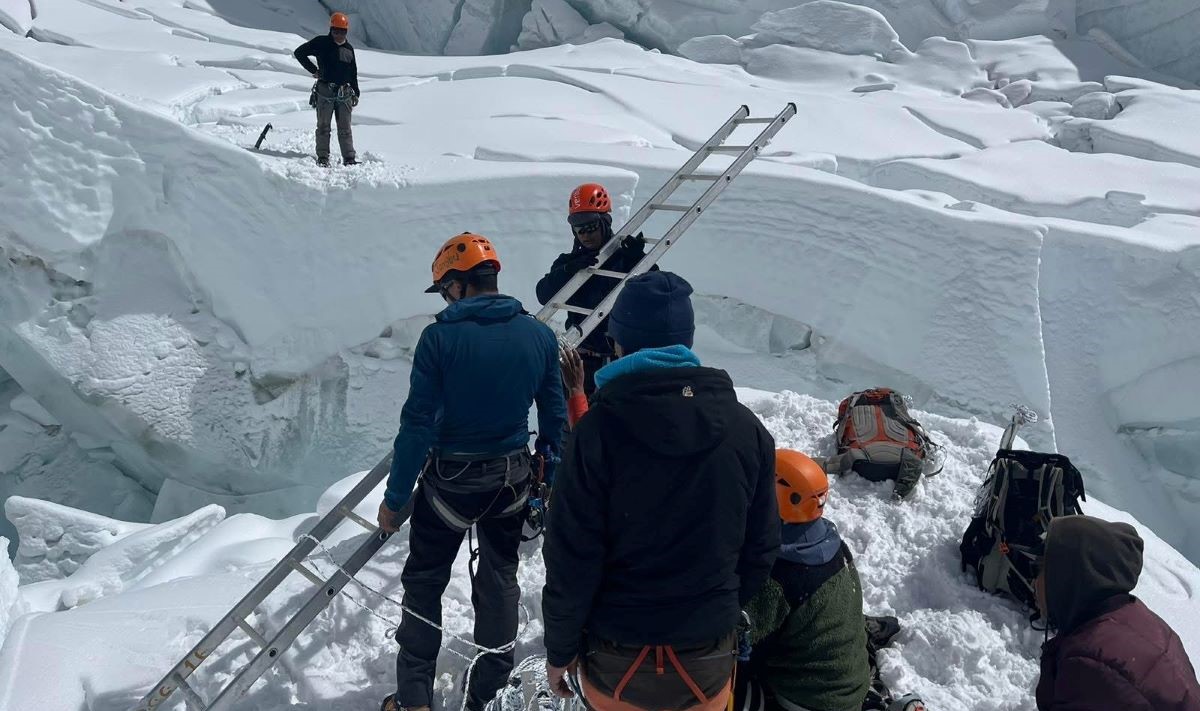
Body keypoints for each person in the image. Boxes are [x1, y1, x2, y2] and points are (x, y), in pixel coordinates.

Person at [542, 270, 780, 711]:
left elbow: (570, 560)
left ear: (619, 343)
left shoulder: (595, 434)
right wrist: (718, 608)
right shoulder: (747, 431)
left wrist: (559, 651)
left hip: (616, 665)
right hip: (706, 663)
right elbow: (762, 547)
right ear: (685, 341)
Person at [376, 232, 567, 711]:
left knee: (424, 583)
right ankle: (488, 693)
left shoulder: (439, 338)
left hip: (449, 486)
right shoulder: (538, 335)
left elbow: (417, 424)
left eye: (444, 289)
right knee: (499, 580)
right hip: (511, 483)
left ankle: (415, 698)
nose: (444, 297)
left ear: (458, 285)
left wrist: (396, 500)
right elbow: (554, 420)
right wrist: (549, 478)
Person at [742, 449, 872, 711]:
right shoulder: (832, 545)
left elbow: (745, 646)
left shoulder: (778, 576)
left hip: (810, 699)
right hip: (851, 684)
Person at [1034, 515, 1200, 711]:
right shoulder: (1138, 618)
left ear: (1066, 578)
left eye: (1040, 569)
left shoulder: (1087, 665)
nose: (1033, 581)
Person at [535, 183, 655, 396]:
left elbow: (657, 290)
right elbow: (543, 294)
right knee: (576, 426)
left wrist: (639, 260)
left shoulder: (624, 258)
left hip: (622, 362)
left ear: (604, 222)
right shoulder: (569, 263)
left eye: (590, 227)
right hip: (581, 363)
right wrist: (570, 270)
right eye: (578, 229)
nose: (584, 235)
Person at [294, 12, 360, 167]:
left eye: (342, 31)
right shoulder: (321, 43)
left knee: (345, 127)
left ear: (346, 31)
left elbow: (353, 72)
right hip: (325, 91)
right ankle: (323, 157)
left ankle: (349, 158)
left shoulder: (348, 49)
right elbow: (299, 53)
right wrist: (313, 70)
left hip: (344, 93)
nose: (339, 35)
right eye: (336, 31)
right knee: (323, 126)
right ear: (331, 29)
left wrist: (356, 92)